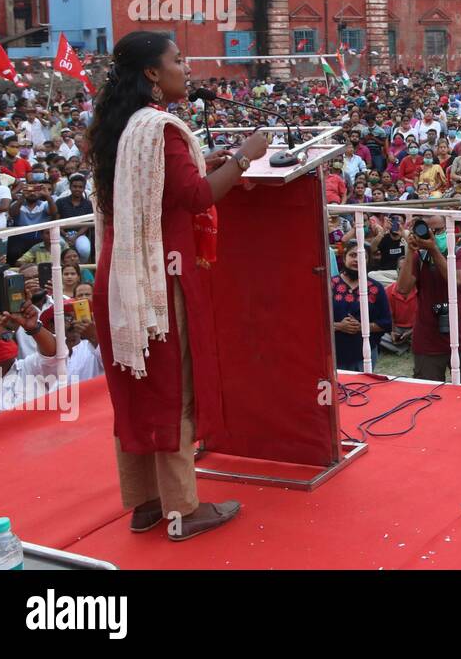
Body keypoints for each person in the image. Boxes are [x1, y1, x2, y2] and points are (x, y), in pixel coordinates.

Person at [87, 31, 269, 541]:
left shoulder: (117, 126)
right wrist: (244, 157)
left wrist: (206, 165)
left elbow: (163, 191)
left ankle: (144, 503)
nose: (185, 68)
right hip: (158, 282)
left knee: (135, 389)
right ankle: (183, 509)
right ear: (152, 74)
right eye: (177, 59)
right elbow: (194, 197)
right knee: (172, 390)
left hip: (120, 277)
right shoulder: (161, 130)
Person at [401, 215, 461, 384]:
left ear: (450, 230)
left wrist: (433, 250)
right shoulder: (418, 257)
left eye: (438, 230)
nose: (432, 235)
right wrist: (410, 250)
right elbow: (403, 289)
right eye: (427, 230)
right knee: (428, 395)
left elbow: (456, 280)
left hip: (460, 334)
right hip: (427, 336)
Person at [331, 241, 394, 371]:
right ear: (344, 258)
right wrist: (338, 326)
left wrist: (361, 327)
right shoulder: (329, 285)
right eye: (352, 255)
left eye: (361, 257)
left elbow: (386, 323)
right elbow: (314, 321)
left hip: (365, 354)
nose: (356, 260)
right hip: (333, 353)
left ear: (368, 261)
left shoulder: (376, 288)